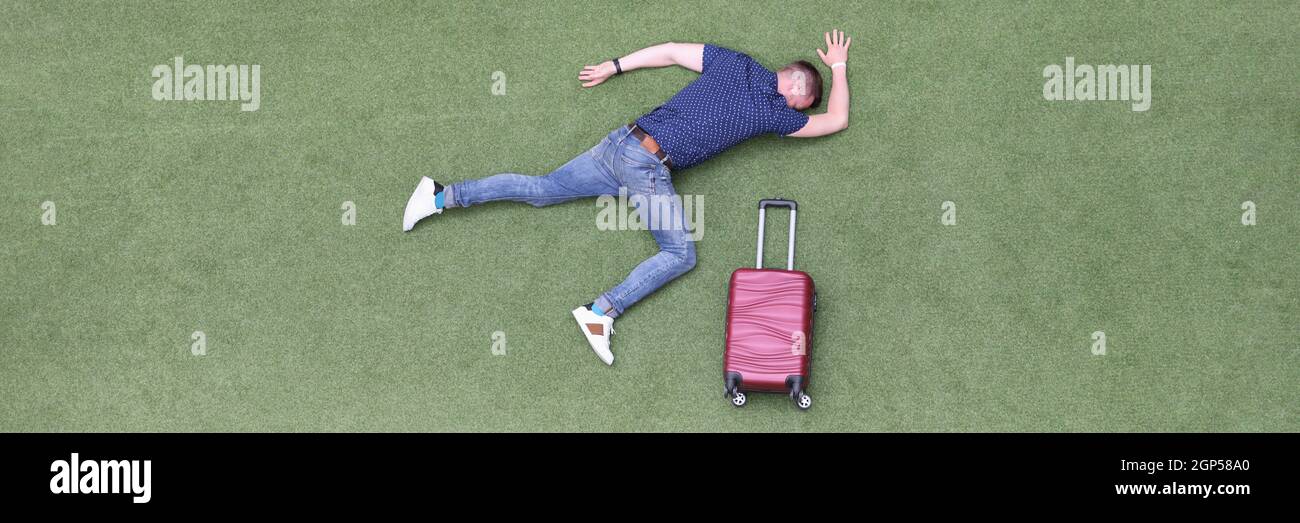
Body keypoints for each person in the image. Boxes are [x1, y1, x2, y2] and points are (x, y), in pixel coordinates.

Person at [402, 30, 853, 366]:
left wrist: (615, 65)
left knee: (541, 190)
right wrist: (838, 67)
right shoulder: (775, 111)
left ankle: (442, 195)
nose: (801, 112)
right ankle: (600, 312)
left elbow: (673, 51)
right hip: (646, 165)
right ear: (796, 91)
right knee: (680, 253)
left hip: (620, 144)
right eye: (804, 103)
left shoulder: (736, 63)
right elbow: (836, 120)